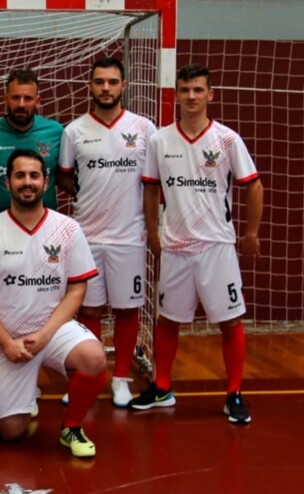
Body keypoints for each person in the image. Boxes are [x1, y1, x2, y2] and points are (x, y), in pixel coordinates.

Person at [129, 64, 264, 424]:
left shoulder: (227, 139)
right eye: (185, 90)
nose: (191, 96)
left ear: (210, 95)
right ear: (178, 95)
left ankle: (234, 393)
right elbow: (151, 187)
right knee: (168, 319)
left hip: (217, 246)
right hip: (175, 246)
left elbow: (253, 185)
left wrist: (250, 233)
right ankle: (162, 386)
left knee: (230, 321)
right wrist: (154, 233)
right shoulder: (159, 140)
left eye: (198, 90)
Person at [0, 149, 105, 458]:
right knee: (11, 433)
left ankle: (72, 427)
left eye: (34, 175)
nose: (27, 182)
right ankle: (17, 395)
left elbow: (77, 289)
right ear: (8, 181)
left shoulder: (68, 229)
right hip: (7, 341)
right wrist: (6, 342)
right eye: (20, 175)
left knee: (94, 357)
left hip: (52, 331)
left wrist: (46, 335)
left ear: (46, 181)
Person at [56, 57, 158, 407]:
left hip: (129, 237)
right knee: (89, 312)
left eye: (112, 82)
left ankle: (121, 379)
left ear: (123, 86)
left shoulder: (144, 128)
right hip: (87, 237)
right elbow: (66, 176)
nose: (106, 88)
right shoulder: (74, 131)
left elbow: (153, 181)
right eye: (99, 82)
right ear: (90, 86)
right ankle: (91, 377)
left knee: (128, 311)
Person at [0, 69, 63, 220]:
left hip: (45, 227)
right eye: (16, 97)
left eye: (28, 98)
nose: (21, 104)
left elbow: (67, 177)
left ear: (38, 101)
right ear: (5, 98)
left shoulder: (56, 132)